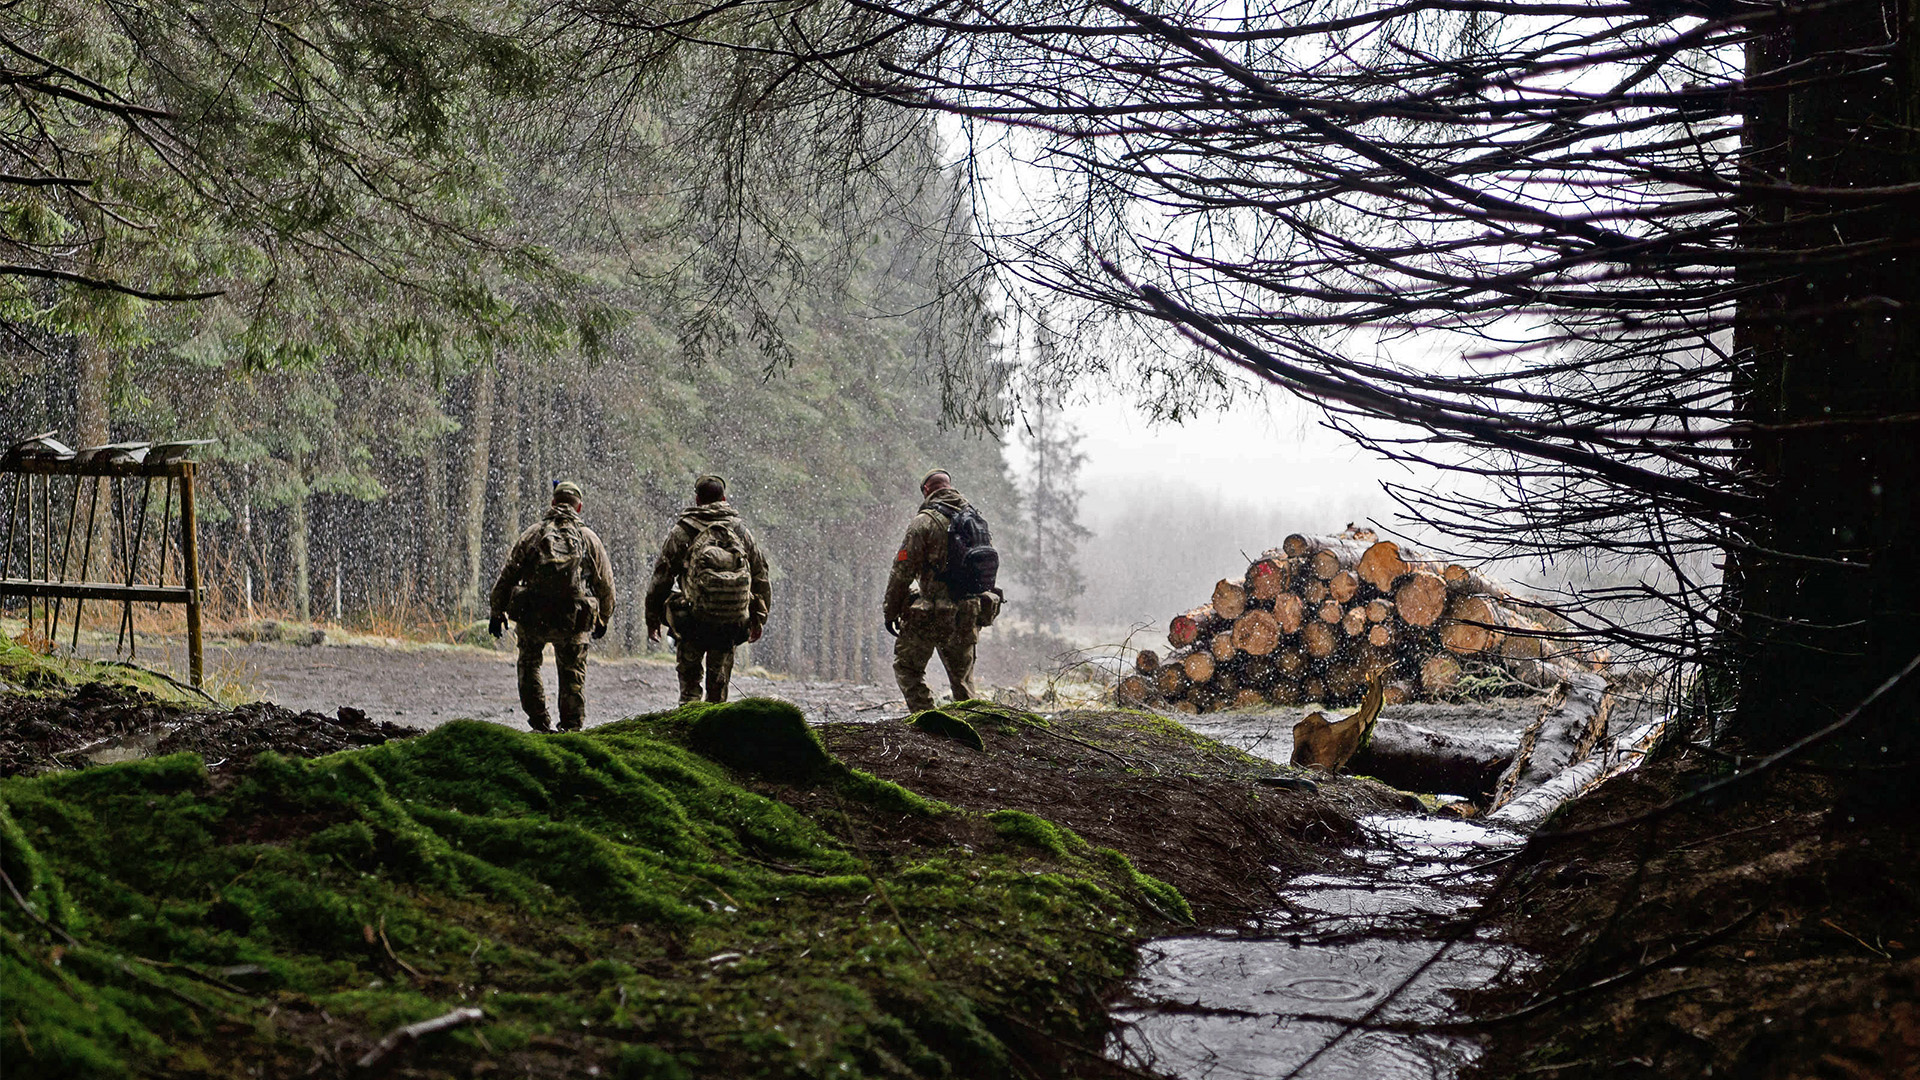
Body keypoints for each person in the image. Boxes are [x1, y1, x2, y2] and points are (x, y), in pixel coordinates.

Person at [488, 481, 617, 732]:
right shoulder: (588, 538)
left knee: (529, 665)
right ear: (578, 507)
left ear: (553, 503)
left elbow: (507, 576)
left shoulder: (533, 534)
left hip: (533, 616)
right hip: (573, 619)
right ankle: (571, 729)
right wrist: (604, 616)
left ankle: (539, 723)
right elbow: (606, 585)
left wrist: (496, 611)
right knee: (572, 676)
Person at [645, 475, 771, 703]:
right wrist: (758, 618)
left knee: (690, 686)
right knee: (718, 689)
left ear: (697, 499)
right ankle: (714, 731)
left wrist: (652, 618)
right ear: (723, 498)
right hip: (729, 622)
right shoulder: (740, 531)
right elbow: (760, 575)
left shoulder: (683, 531)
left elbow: (661, 577)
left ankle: (688, 726)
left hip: (692, 619)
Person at [883, 469, 1002, 713]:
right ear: (949, 486)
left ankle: (929, 720)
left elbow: (901, 572)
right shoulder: (976, 520)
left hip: (928, 615)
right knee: (963, 681)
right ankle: (971, 730)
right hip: (967, 614)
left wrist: (890, 611)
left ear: (927, 491)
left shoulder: (923, 522)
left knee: (907, 669)